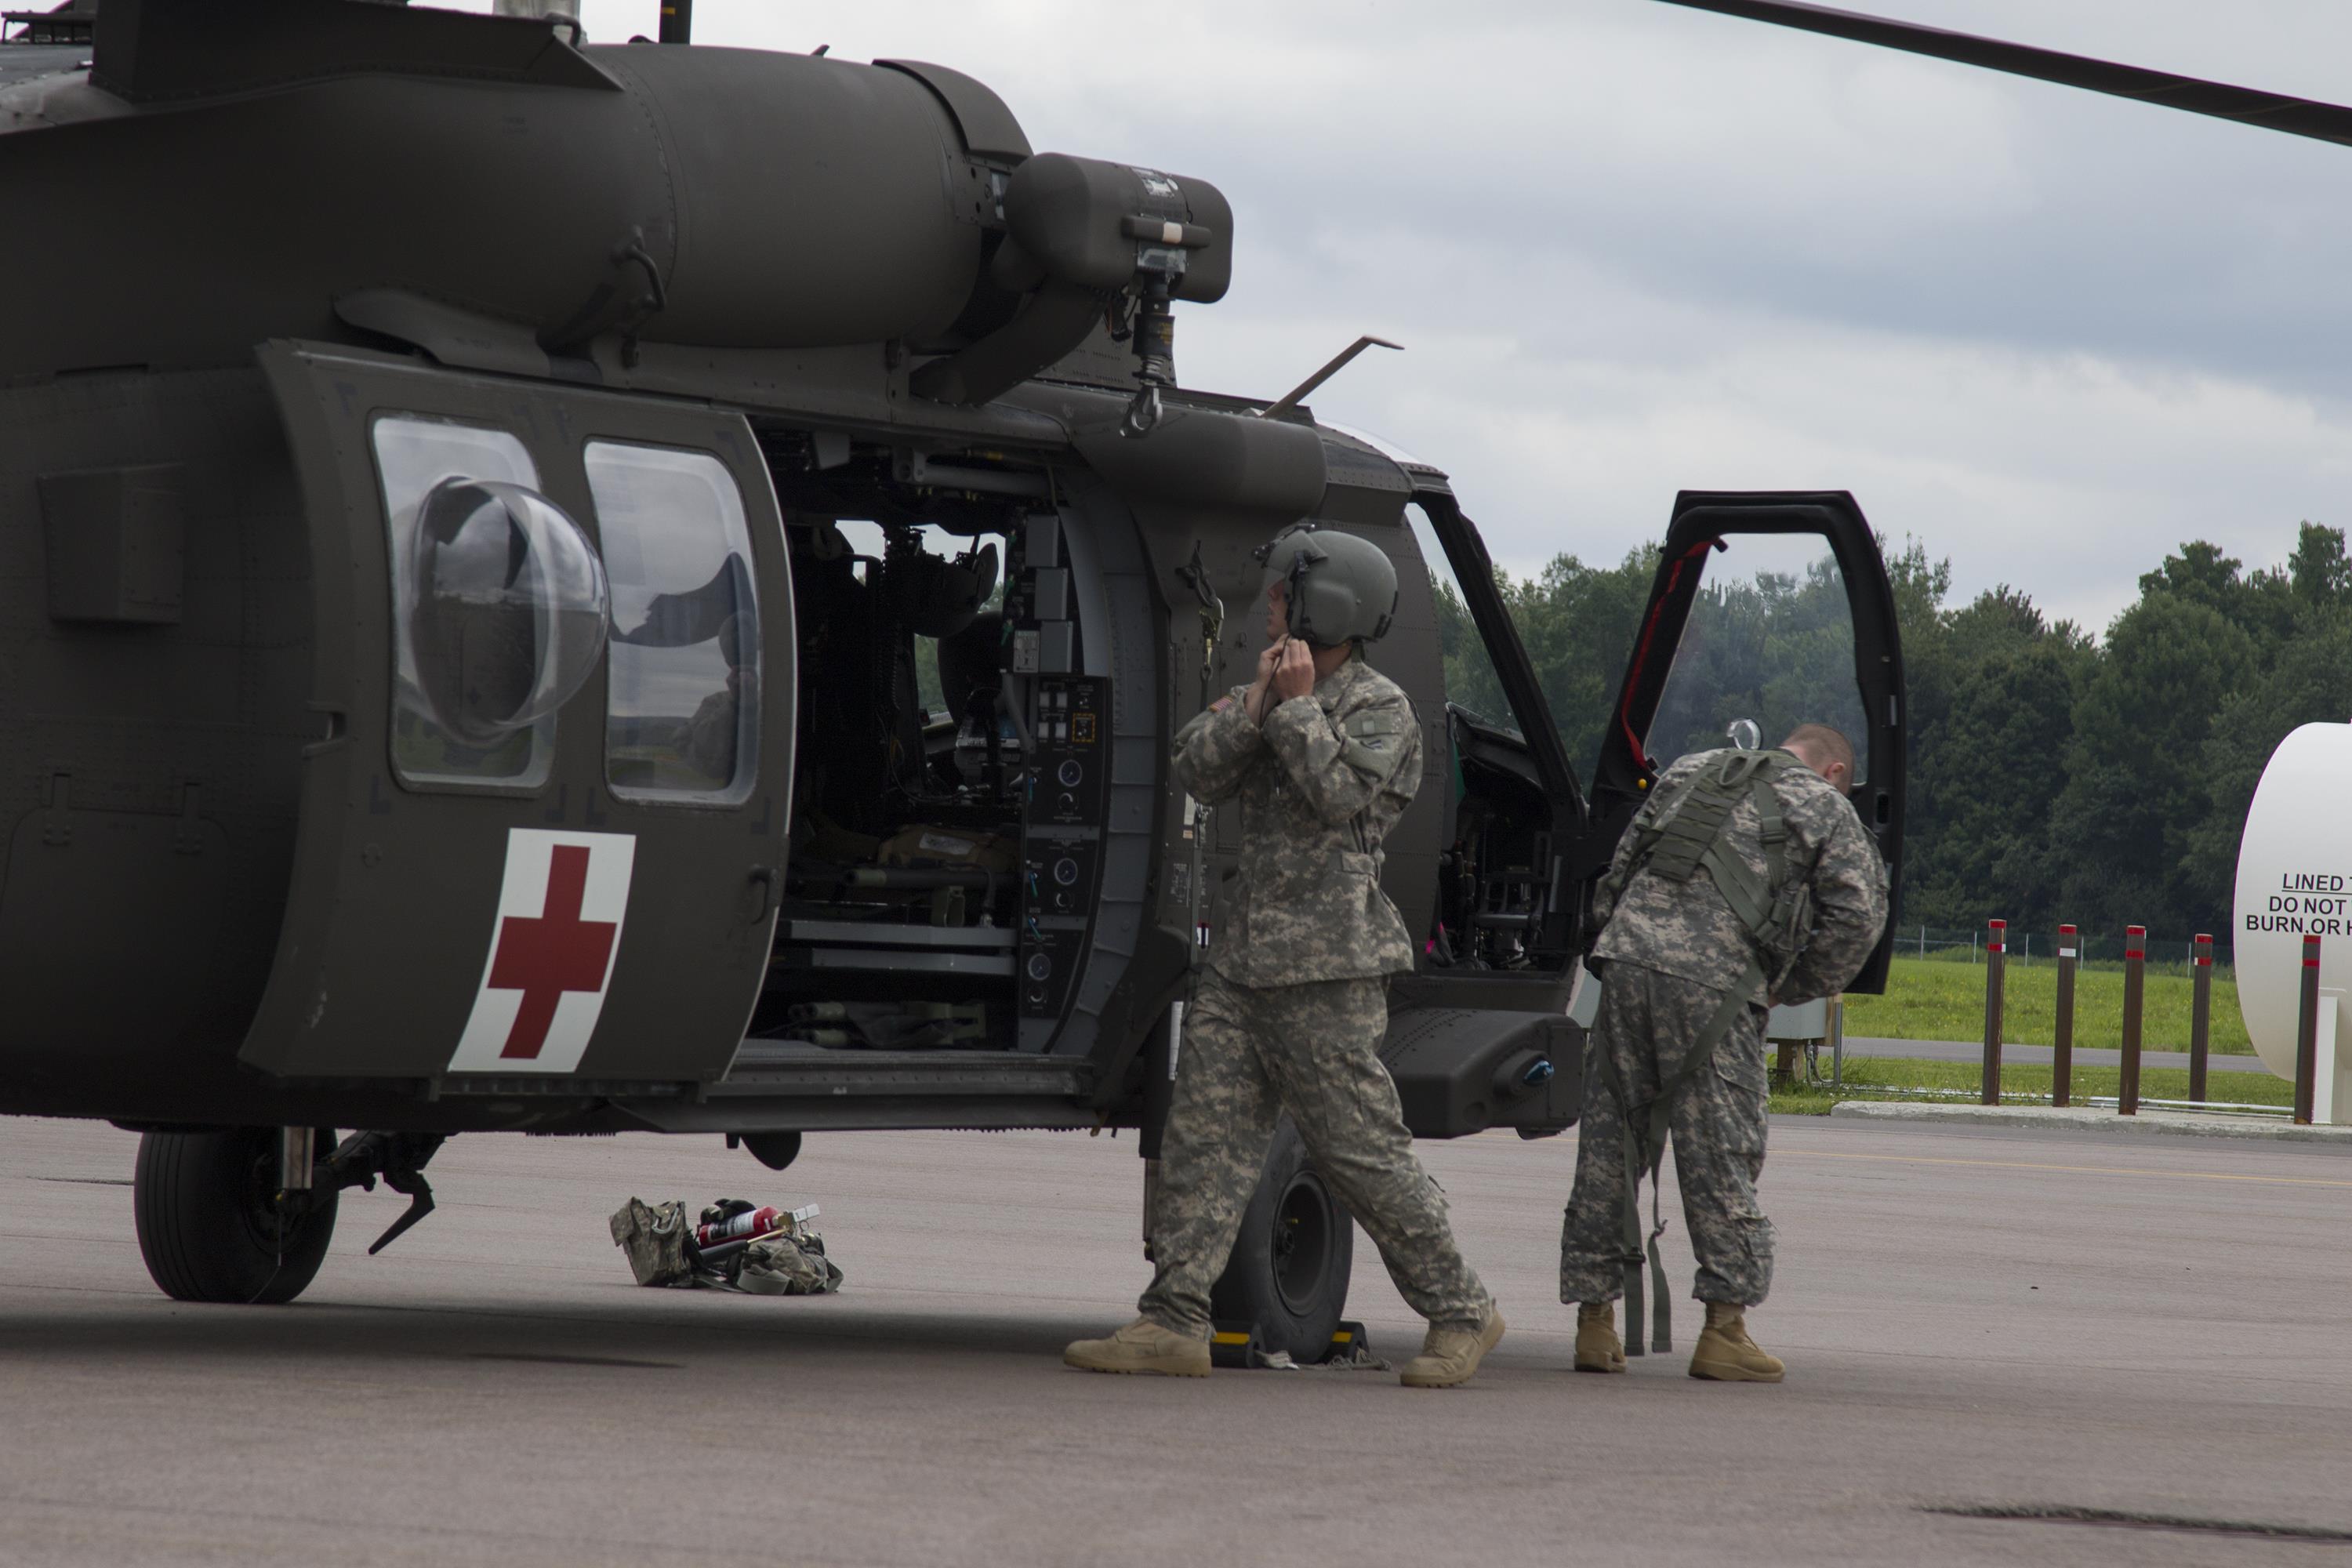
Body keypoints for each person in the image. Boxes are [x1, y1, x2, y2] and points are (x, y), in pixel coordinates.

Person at [1064, 524, 1504, 1388]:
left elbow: (1338, 794)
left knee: (1360, 1151)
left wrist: (1296, 709)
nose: (1265, 606)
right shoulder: (1264, 688)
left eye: (1276, 593)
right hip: (1242, 959)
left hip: (1327, 971)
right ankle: (1175, 1317)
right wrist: (1262, 705)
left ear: (1322, 603)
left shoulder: (1382, 709)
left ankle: (1462, 1310)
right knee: (1203, 1138)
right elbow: (1197, 764)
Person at [1558, 724, 1888, 1382]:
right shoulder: (1826, 806)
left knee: (1611, 1143)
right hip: (1716, 985)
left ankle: (1595, 1325)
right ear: (1834, 772)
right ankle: (1724, 1329)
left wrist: (1623, 945)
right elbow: (1857, 920)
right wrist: (1782, 987)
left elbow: (1619, 868)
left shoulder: (1694, 767)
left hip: (1627, 959)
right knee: (1721, 1150)